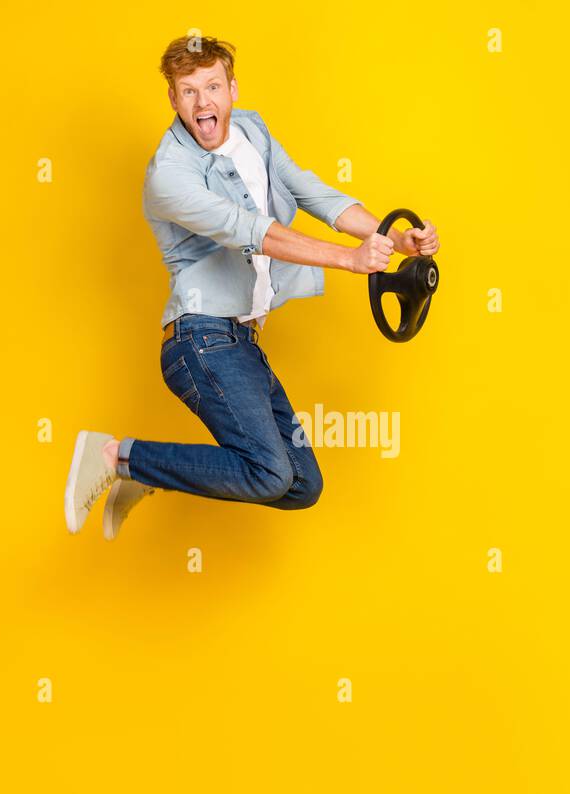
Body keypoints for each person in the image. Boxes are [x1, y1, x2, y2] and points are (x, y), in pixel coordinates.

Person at [65, 35, 439, 539]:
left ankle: (143, 468)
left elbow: (311, 192)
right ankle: (115, 456)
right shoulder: (169, 176)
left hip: (242, 341)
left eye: (213, 86)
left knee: (302, 485)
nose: (203, 103)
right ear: (173, 100)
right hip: (201, 341)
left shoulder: (252, 131)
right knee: (268, 472)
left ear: (232, 89)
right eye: (188, 91)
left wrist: (393, 237)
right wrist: (351, 260)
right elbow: (253, 232)